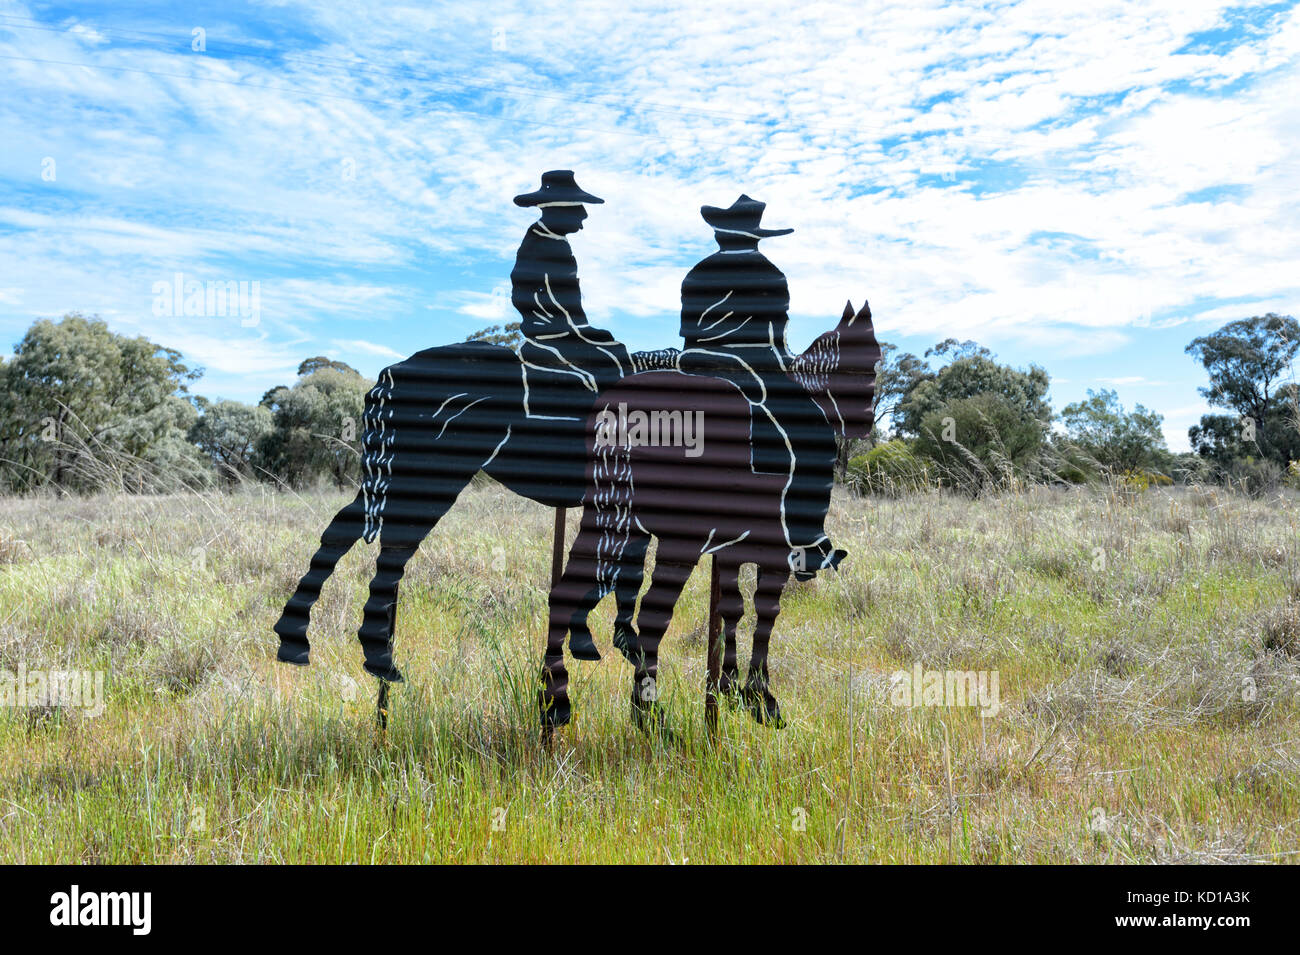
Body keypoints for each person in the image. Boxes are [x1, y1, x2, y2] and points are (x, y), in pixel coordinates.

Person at [677, 195, 837, 567]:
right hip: (753, 371)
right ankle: (806, 540)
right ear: (755, 236)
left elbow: (689, 334)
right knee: (816, 435)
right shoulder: (770, 275)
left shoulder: (696, 274)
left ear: (722, 234)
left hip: (696, 364)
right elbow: (777, 346)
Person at [510, 170, 630, 418]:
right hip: (550, 331)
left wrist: (581, 327)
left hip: (566, 327)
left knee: (613, 347)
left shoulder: (555, 242)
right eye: (578, 208)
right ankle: (604, 422)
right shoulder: (541, 244)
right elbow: (543, 296)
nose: (584, 215)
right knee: (606, 363)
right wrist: (572, 329)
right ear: (559, 209)